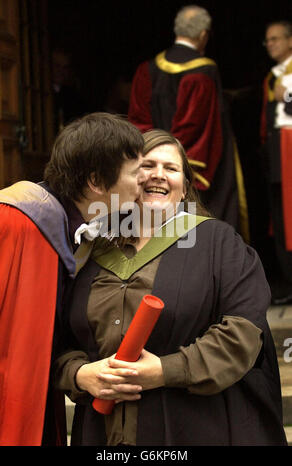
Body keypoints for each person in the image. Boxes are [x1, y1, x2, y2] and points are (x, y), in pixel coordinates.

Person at [53, 129, 287, 446]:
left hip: (190, 426)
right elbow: (58, 338)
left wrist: (165, 370)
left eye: (171, 168)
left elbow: (244, 332)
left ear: (185, 188)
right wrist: (80, 375)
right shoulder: (90, 250)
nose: (158, 175)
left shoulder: (217, 244)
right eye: (147, 166)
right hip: (101, 431)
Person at [0, 112, 144, 446]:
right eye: (135, 172)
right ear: (96, 182)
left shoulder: (80, 235)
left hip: (33, 401)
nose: (144, 181)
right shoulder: (10, 219)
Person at [128, 5, 249, 241]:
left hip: (150, 162)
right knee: (198, 232)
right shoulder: (203, 71)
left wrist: (151, 160)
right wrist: (176, 164)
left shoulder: (147, 69)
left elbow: (137, 120)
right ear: (204, 34)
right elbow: (194, 126)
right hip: (191, 167)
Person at [261, 21, 292, 304]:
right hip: (276, 152)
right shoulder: (274, 75)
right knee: (281, 219)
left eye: (275, 39)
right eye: (267, 40)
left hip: (289, 150)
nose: (270, 44)